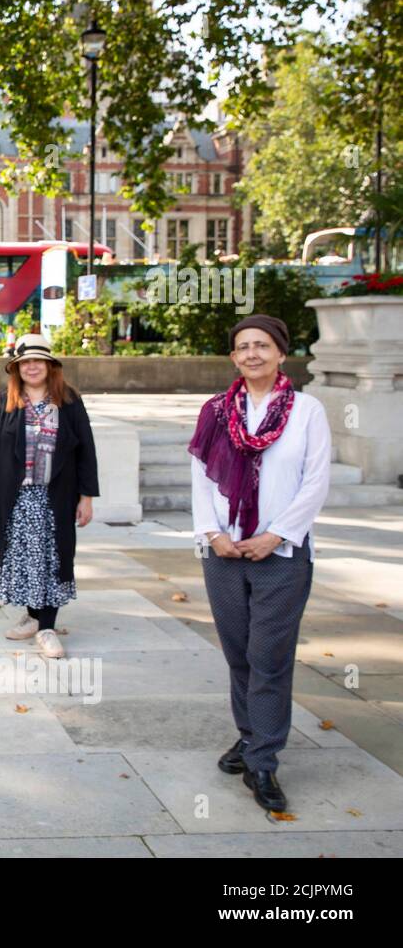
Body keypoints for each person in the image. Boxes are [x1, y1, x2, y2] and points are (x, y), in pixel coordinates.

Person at [190, 314, 331, 814]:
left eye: (262, 346)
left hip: (282, 554)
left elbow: (315, 481)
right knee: (239, 654)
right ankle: (250, 736)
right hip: (223, 553)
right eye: (243, 347)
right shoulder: (215, 411)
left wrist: (275, 535)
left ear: (280, 354)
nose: (252, 354)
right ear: (234, 357)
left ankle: (265, 761)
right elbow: (203, 478)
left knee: (269, 655)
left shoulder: (307, 410)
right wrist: (214, 533)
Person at [0, 334, 99, 659]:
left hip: (57, 497)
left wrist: (87, 497)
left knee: (53, 560)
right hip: (18, 500)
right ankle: (34, 614)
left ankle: (47, 628)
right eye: (25, 362)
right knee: (25, 562)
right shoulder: (6, 401)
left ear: (50, 365)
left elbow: (86, 451)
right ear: (17, 368)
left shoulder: (68, 401)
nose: (32, 367)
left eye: (38, 361)